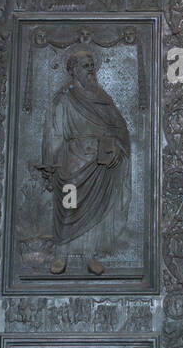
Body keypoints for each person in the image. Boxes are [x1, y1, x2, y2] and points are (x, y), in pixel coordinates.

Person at [42, 47, 131, 275]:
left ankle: (90, 255)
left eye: (92, 65)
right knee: (69, 207)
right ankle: (61, 254)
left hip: (99, 163)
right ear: (73, 71)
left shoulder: (104, 100)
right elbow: (55, 133)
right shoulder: (64, 100)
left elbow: (120, 128)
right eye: (85, 66)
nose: (90, 70)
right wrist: (51, 163)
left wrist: (117, 148)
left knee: (94, 211)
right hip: (72, 163)